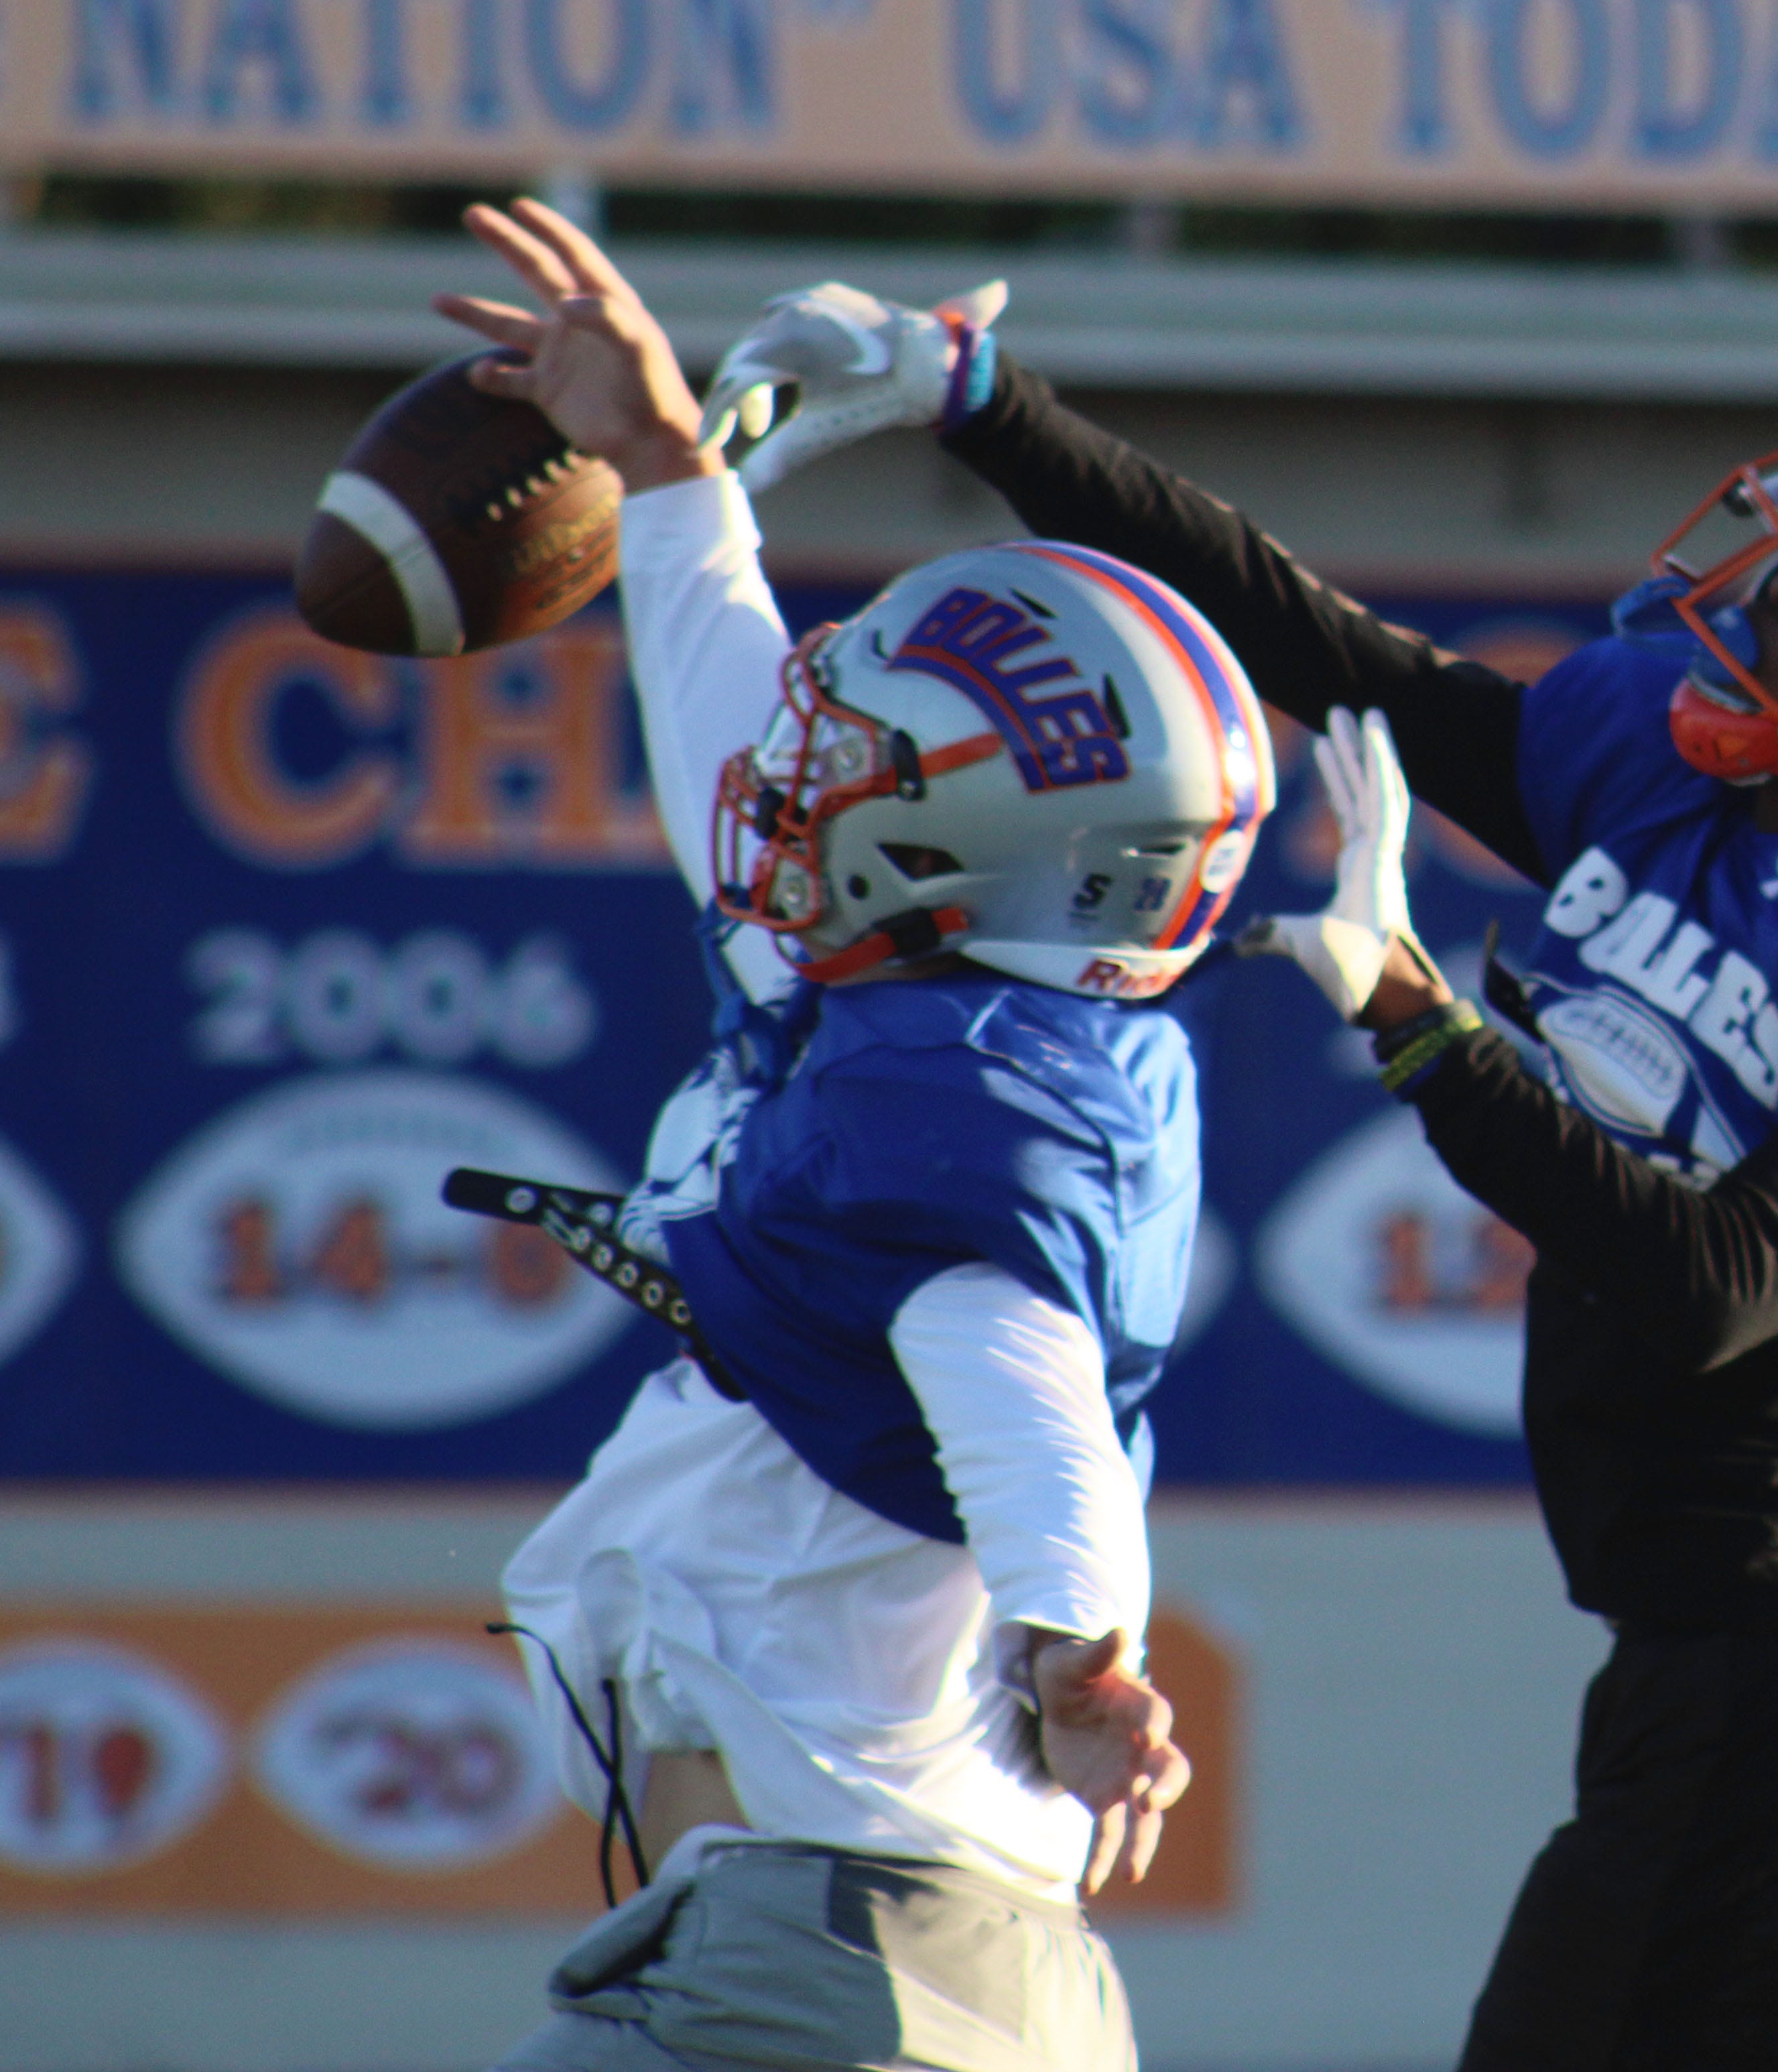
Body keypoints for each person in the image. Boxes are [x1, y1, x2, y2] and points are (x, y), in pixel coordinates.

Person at [704, 280, 1778, 2071]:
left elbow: (1716, 1279)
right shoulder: (1704, 795)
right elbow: (1329, 651)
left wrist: (1428, 1027)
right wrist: (983, 404)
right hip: (1741, 1666)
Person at [430, 200, 1272, 2072]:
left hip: (839, 1959)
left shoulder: (949, 1116)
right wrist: (663, 470)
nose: (798, 769)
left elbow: (1019, 1372)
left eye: (858, 754)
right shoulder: (906, 995)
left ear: (972, 849)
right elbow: (719, 734)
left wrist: (1083, 1650)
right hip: (853, 1940)